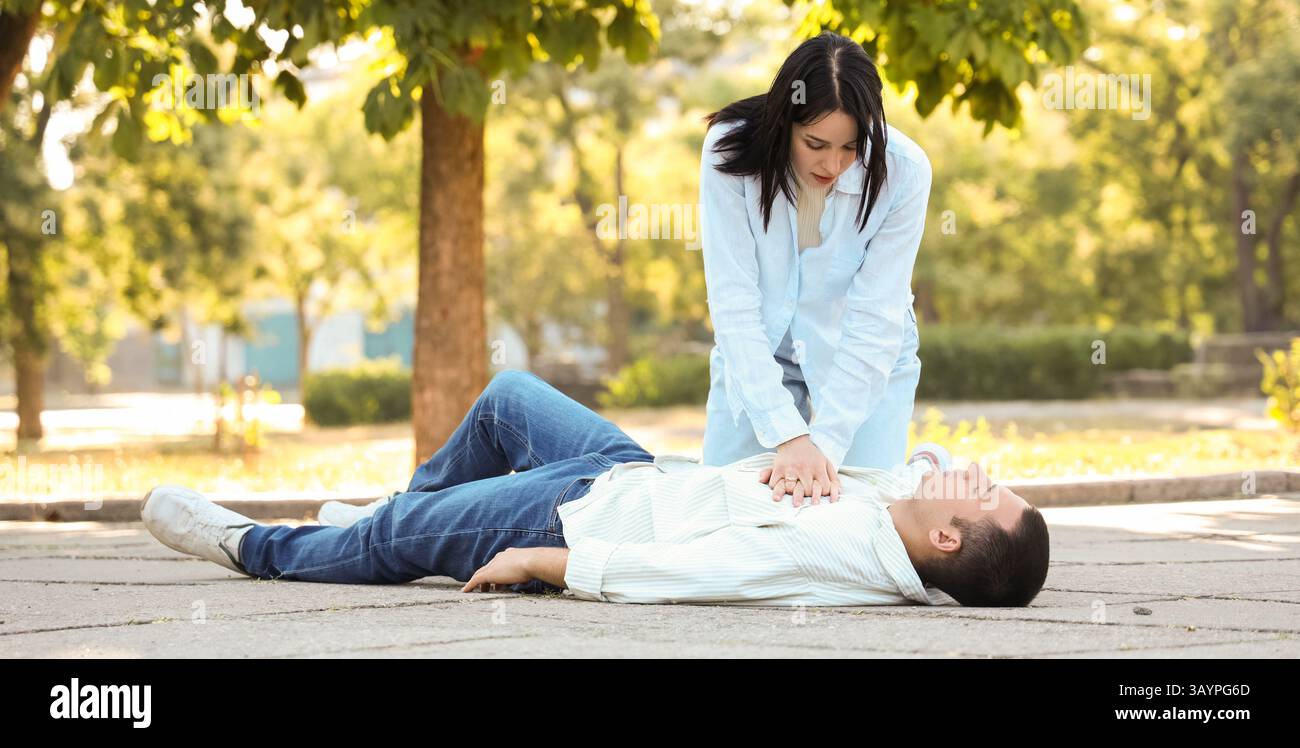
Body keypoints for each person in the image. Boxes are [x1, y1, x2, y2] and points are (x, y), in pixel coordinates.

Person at [142, 370, 1050, 607]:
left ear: (946, 542)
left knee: (396, 543)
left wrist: (548, 562)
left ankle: (254, 547)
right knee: (506, 400)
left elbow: (701, 575)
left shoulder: (840, 558)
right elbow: (924, 458)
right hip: (629, 471)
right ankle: (394, 517)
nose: (978, 475)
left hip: (571, 515)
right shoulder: (899, 505)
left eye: (984, 494)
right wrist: (944, 472)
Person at [698, 31, 932, 507]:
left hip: (861, 354)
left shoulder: (905, 171)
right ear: (786, 120)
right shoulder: (728, 152)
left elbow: (875, 318)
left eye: (851, 147)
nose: (833, 164)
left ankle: (930, 469)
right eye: (815, 143)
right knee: (724, 507)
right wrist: (786, 435)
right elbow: (734, 304)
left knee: (864, 513)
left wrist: (820, 446)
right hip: (759, 350)